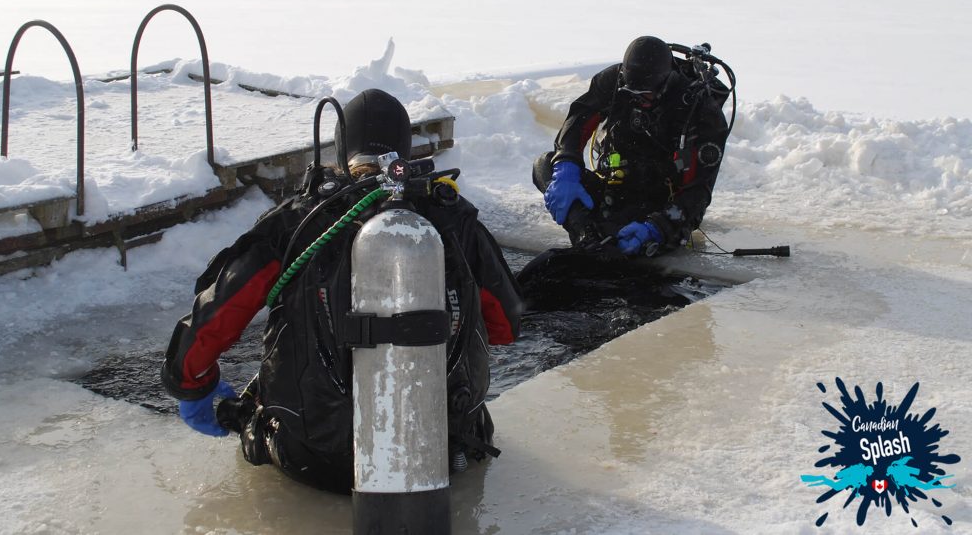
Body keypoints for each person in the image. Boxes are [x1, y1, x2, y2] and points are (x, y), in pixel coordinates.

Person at [161, 88, 522, 493]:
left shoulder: (298, 223)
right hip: (446, 446)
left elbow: (218, 312)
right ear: (404, 149)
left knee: (254, 402)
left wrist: (190, 385)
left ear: (339, 150)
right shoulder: (451, 215)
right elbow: (507, 325)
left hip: (317, 459)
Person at [533, 35, 731, 256]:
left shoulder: (701, 110)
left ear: (664, 84)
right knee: (545, 164)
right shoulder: (613, 81)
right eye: (632, 94)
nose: (639, 101)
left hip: (661, 207)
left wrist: (658, 228)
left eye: (645, 94)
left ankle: (636, 237)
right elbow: (579, 117)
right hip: (613, 188)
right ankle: (584, 234)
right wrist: (566, 167)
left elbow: (699, 191)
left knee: (651, 234)